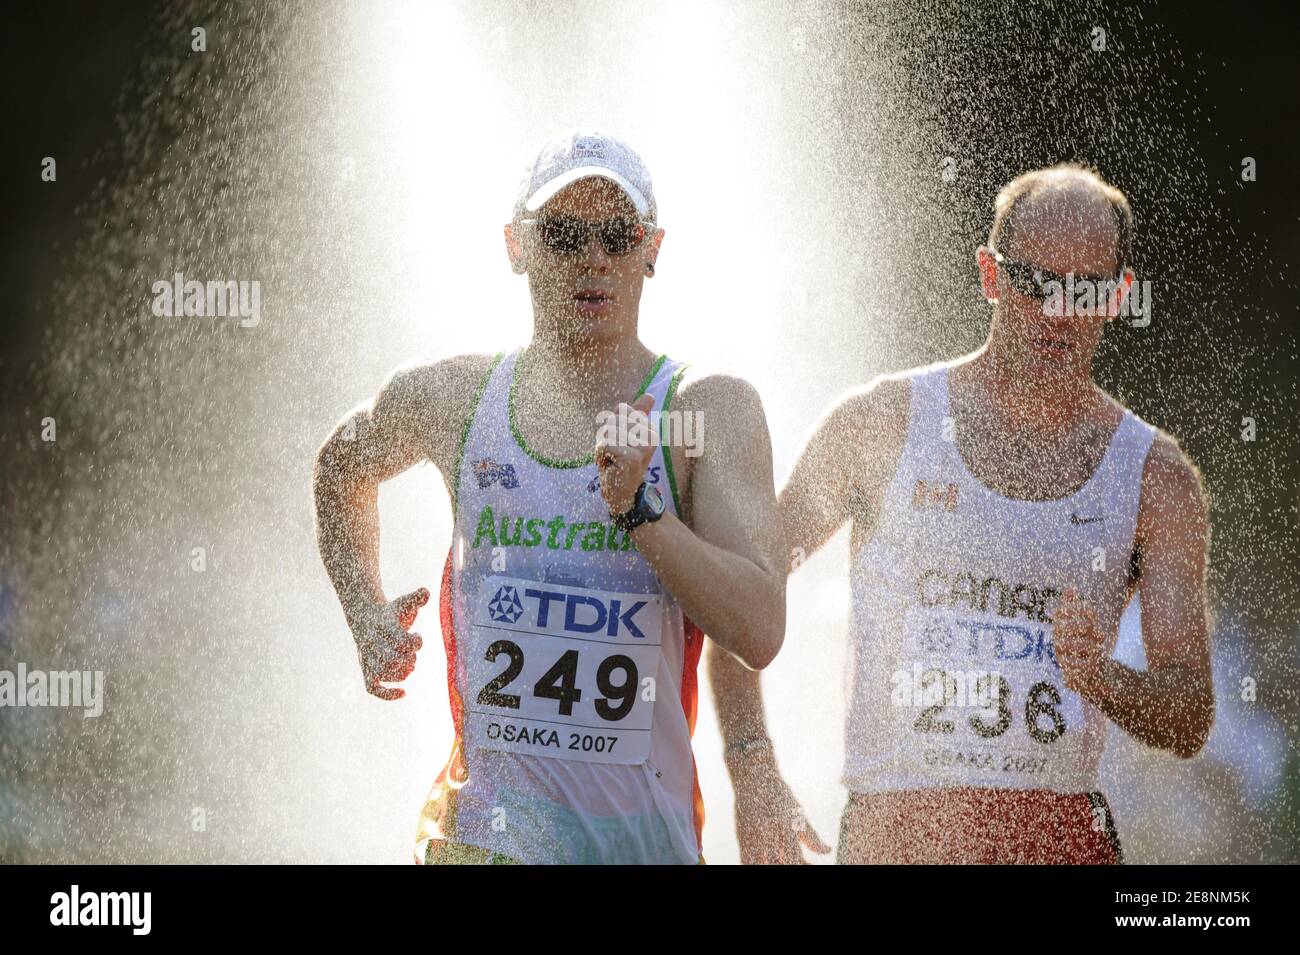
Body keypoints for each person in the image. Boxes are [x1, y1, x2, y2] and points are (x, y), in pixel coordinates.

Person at [712, 164, 1214, 863]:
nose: (1058, 311)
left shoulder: (1156, 478)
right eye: (1035, 283)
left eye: (1086, 290)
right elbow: (740, 602)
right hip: (901, 831)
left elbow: (1189, 716)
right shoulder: (881, 424)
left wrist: (1100, 677)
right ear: (990, 275)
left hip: (1057, 834)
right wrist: (753, 773)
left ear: (1119, 297)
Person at [313, 130, 786, 864]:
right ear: (517, 245)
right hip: (485, 839)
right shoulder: (452, 397)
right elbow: (340, 463)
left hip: (638, 845)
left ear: (651, 248)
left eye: (616, 236)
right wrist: (364, 613)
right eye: (563, 234)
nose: (592, 258)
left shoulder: (706, 410)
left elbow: (759, 629)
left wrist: (641, 514)